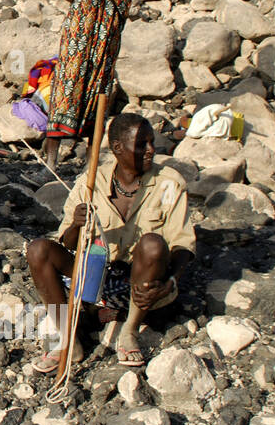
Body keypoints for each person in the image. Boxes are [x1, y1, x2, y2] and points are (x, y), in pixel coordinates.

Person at [26, 113, 195, 370]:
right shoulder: (91, 181)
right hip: (95, 278)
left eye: (151, 142)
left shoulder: (169, 183)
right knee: (38, 249)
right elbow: (68, 243)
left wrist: (171, 280)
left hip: (140, 284)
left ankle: (129, 332)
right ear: (117, 148)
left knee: (152, 244)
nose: (151, 150)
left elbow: (183, 245)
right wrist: (76, 224)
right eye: (142, 145)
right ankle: (68, 339)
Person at [43, 0, 133, 170]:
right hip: (79, 30)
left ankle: (90, 159)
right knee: (66, 86)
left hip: (106, 34)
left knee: (99, 89)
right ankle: (51, 159)